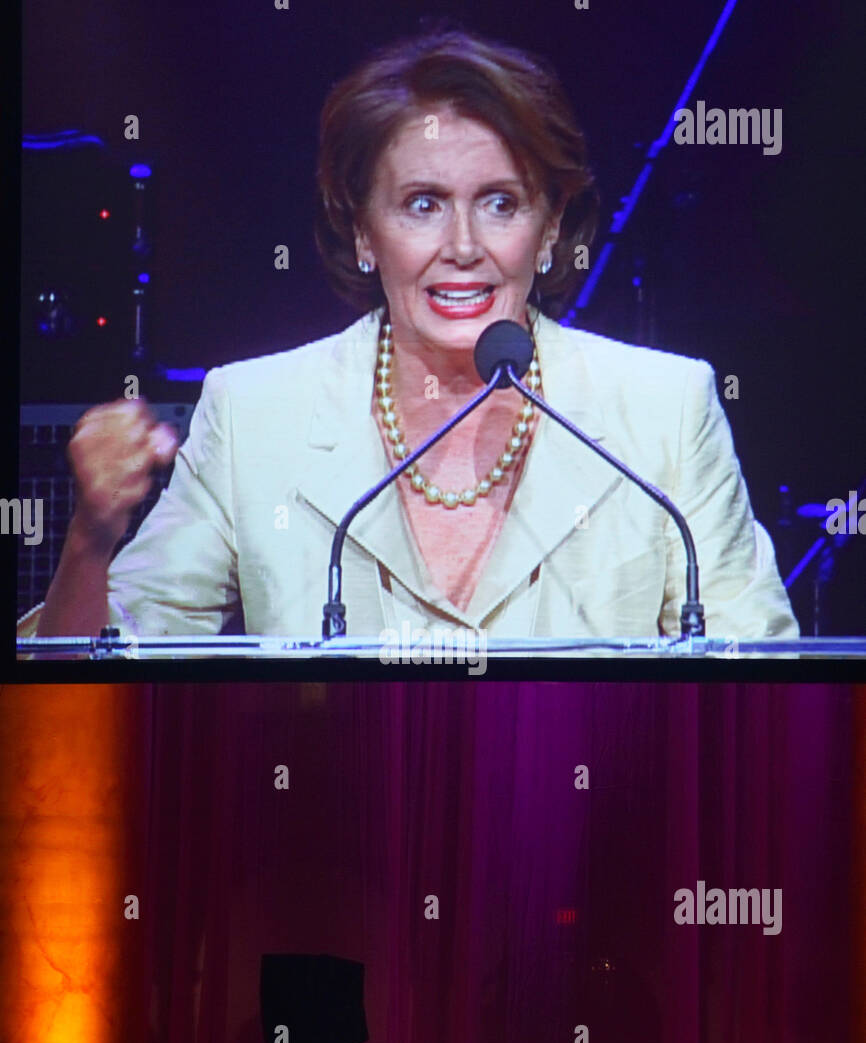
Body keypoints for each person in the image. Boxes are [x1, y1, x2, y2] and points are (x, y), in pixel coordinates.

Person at [32, 27, 798, 644]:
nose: (463, 246)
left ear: (549, 228)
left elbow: (761, 685)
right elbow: (91, 688)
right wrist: (90, 540)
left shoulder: (663, 408)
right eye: (423, 205)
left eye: (501, 203)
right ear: (363, 230)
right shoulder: (254, 414)